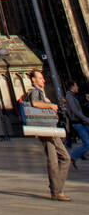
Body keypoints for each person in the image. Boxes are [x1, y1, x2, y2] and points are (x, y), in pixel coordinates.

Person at [27, 69, 71, 200]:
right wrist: (50, 105)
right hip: (47, 129)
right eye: (40, 78)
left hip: (46, 129)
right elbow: (34, 103)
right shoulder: (35, 92)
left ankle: (55, 190)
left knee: (53, 159)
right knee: (65, 157)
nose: (43, 80)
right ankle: (57, 189)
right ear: (33, 80)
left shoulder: (40, 92)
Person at [65, 81, 89, 167]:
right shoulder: (69, 96)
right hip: (78, 123)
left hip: (82, 122)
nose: (77, 87)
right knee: (87, 143)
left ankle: (79, 155)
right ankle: (72, 157)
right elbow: (75, 111)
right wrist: (86, 119)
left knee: (87, 142)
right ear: (72, 87)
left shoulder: (73, 96)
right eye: (76, 86)